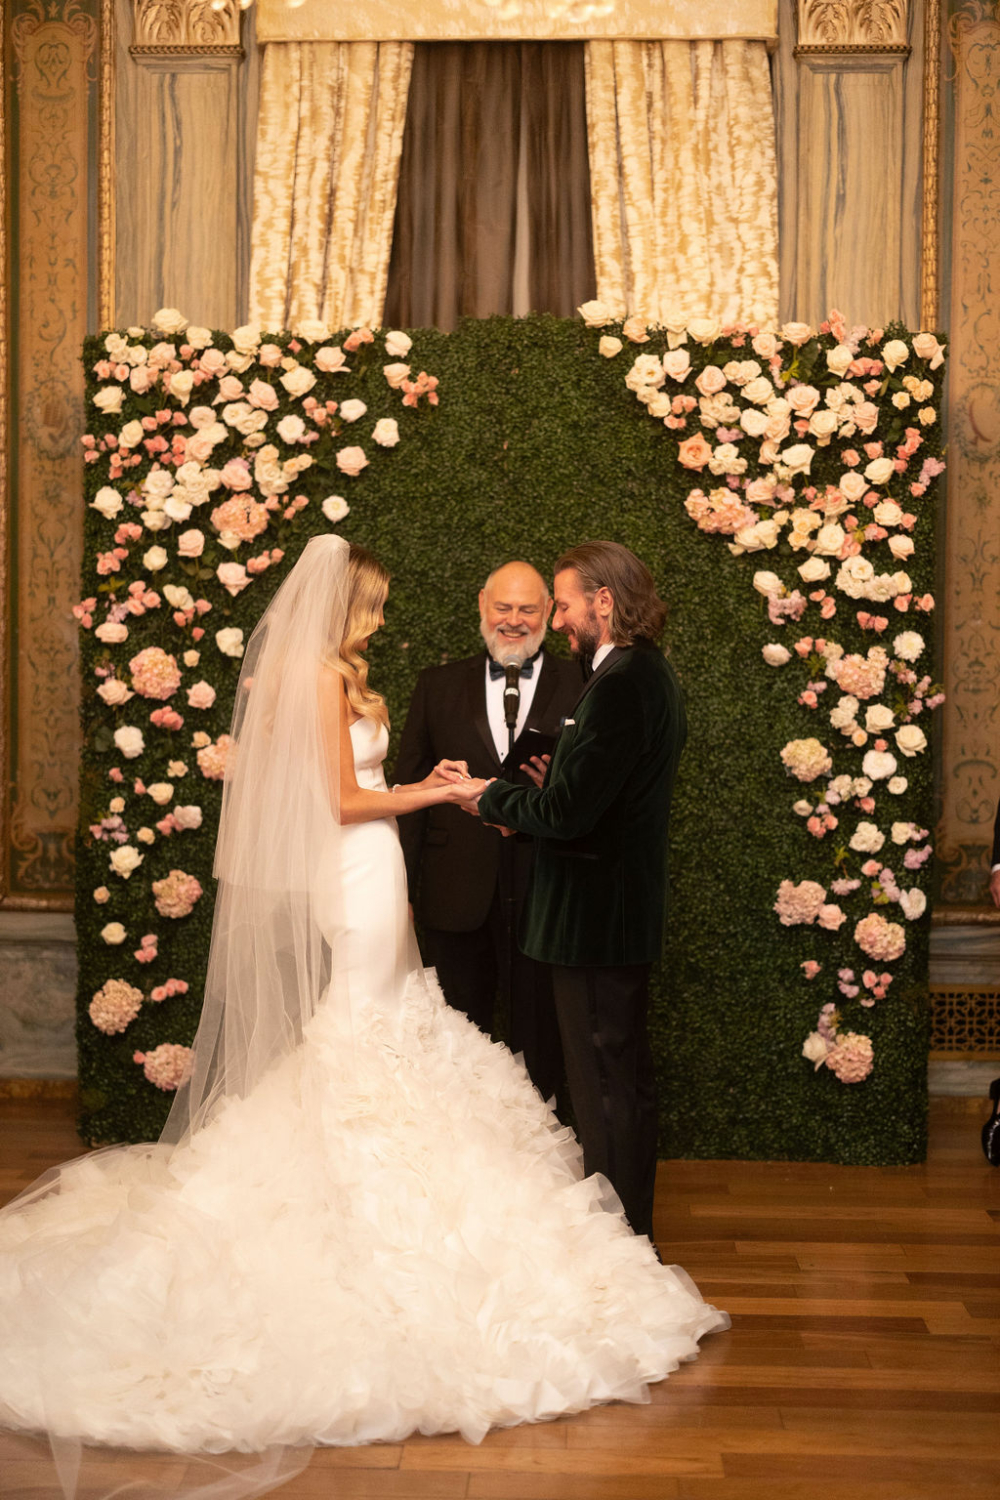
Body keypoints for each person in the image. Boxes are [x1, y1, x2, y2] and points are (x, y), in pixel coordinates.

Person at [0, 535, 725, 1482]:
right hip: (357, 869)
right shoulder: (313, 680)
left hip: (382, 871)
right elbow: (339, 800)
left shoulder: (348, 677)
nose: (379, 619)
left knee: (391, 1024)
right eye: (372, 605)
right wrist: (438, 793)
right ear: (343, 606)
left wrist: (453, 794)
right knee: (367, 1028)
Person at [475, 540, 686, 1245]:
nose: (557, 620)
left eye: (563, 605)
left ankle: (621, 1245)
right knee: (615, 1082)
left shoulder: (624, 681)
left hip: (596, 920)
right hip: (608, 918)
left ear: (603, 601)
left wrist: (489, 798)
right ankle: (627, 1237)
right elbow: (590, 798)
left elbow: (571, 814)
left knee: (604, 1088)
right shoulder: (636, 673)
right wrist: (546, 790)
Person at [394, 561, 580, 1102]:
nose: (513, 620)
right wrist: (401, 890)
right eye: (503, 607)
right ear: (482, 604)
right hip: (454, 892)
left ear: (548, 611)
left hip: (546, 890)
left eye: (527, 609)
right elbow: (409, 795)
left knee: (543, 1035)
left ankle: (543, 1140)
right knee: (453, 1034)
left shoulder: (583, 683)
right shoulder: (436, 686)